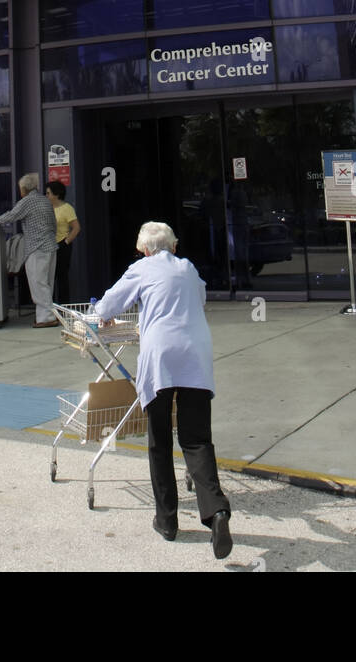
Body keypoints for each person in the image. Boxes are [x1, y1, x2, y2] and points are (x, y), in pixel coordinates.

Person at [94, 221, 232, 559]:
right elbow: (199, 299)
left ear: (143, 249)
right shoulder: (188, 268)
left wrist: (103, 316)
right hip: (195, 356)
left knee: (160, 442)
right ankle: (216, 512)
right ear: (174, 246)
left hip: (160, 361)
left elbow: (108, 305)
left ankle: (167, 520)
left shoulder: (140, 269)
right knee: (197, 440)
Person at [0, 173, 58, 327]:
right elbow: (54, 224)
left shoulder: (27, 201)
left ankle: (46, 318)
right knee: (47, 283)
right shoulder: (45, 201)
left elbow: (11, 216)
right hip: (51, 246)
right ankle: (47, 315)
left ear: (24, 188)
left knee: (38, 283)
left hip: (36, 247)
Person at [48, 180, 80, 304]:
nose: (46, 196)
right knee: (49, 277)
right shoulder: (47, 208)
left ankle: (64, 307)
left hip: (62, 245)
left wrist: (66, 242)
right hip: (49, 245)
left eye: (48, 193)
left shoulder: (67, 208)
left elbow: (76, 227)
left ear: (56, 194)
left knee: (62, 277)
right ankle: (50, 308)